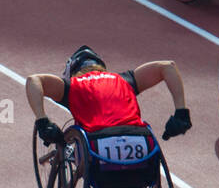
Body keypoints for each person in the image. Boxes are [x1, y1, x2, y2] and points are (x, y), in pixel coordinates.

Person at [28, 45, 191, 149]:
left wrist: (43, 121)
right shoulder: (124, 80)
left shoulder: (73, 86)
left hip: (97, 150)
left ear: (73, 72)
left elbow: (33, 80)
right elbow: (168, 66)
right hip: (141, 145)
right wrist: (181, 113)